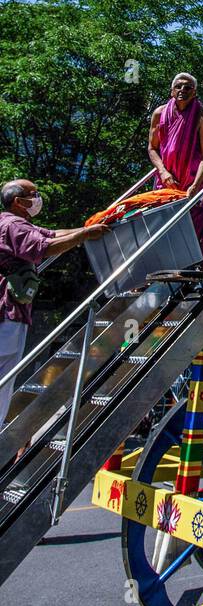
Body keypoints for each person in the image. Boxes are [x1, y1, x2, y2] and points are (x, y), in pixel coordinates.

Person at [0, 180, 108, 432]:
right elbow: (43, 247)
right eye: (32, 194)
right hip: (7, 312)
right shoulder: (14, 225)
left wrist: (85, 228)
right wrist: (84, 235)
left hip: (9, 312)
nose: (38, 198)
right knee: (4, 375)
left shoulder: (12, 223)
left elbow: (50, 233)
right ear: (18, 201)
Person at [148, 73, 203, 266]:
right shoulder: (159, 114)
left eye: (188, 88)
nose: (182, 91)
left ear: (194, 93)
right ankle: (166, 262)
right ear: (171, 90)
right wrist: (162, 171)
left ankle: (200, 263)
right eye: (179, 87)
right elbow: (152, 148)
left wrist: (196, 184)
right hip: (171, 174)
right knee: (163, 215)